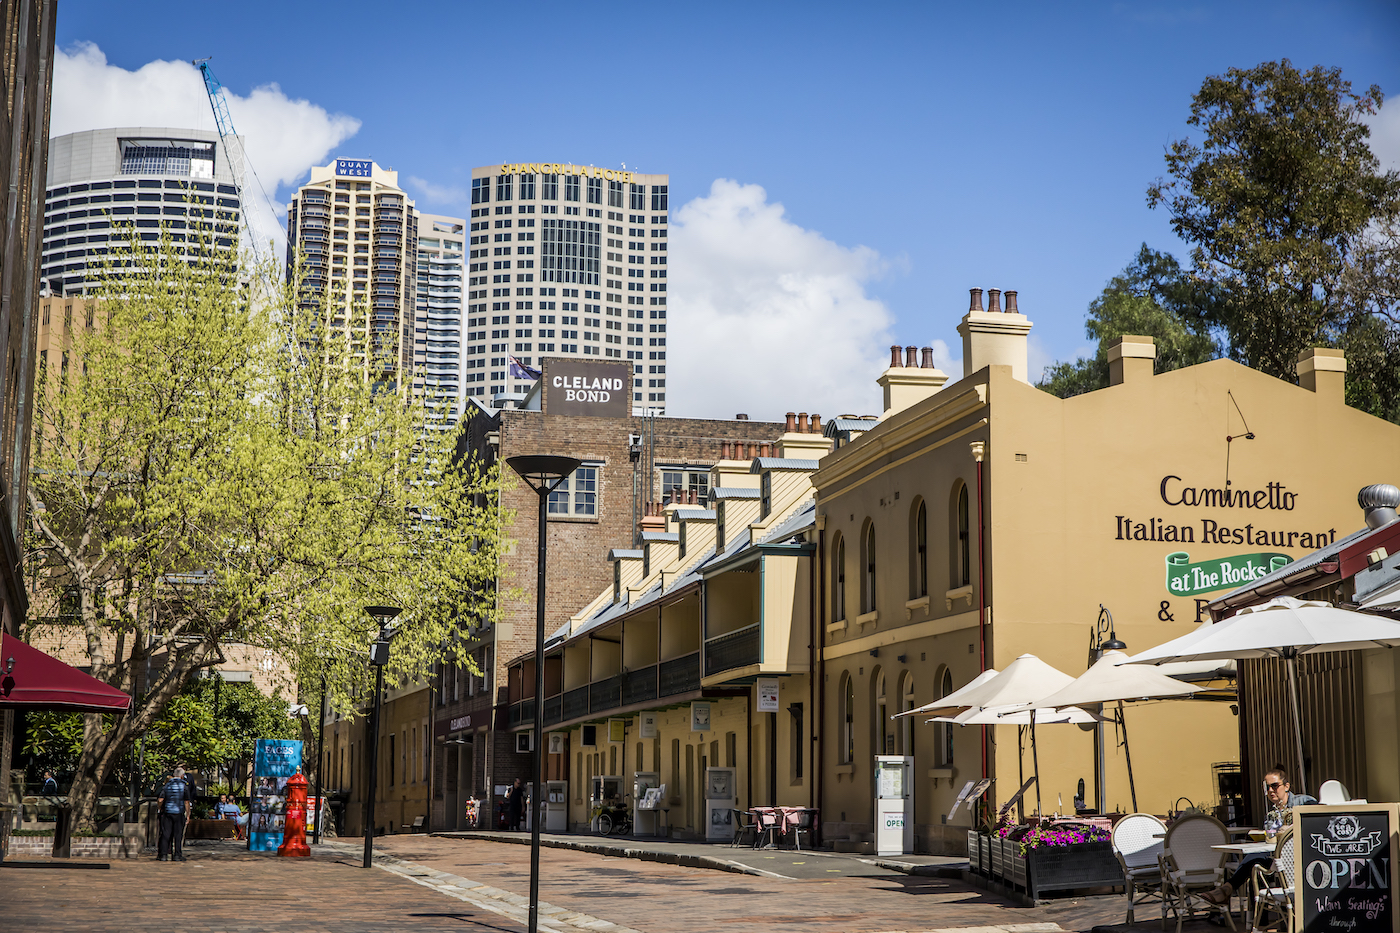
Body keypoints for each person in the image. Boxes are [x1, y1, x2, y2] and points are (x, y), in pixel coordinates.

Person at [1202, 766, 1318, 904]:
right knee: (1255, 866)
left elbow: (1318, 819)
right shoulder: (1271, 814)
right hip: (1278, 858)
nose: (1270, 791)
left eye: (1274, 786)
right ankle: (1257, 919)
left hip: (1302, 857)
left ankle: (1227, 889)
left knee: (1254, 862)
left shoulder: (1303, 802)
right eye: (1267, 787)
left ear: (1286, 786)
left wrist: (1293, 827)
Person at [157, 767, 192, 862]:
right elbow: (186, 802)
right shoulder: (184, 786)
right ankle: (177, 855)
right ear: (181, 776)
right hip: (179, 812)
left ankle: (163, 855)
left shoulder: (167, 785)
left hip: (167, 812)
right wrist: (188, 814)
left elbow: (160, 800)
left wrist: (160, 808)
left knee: (166, 834)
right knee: (178, 835)